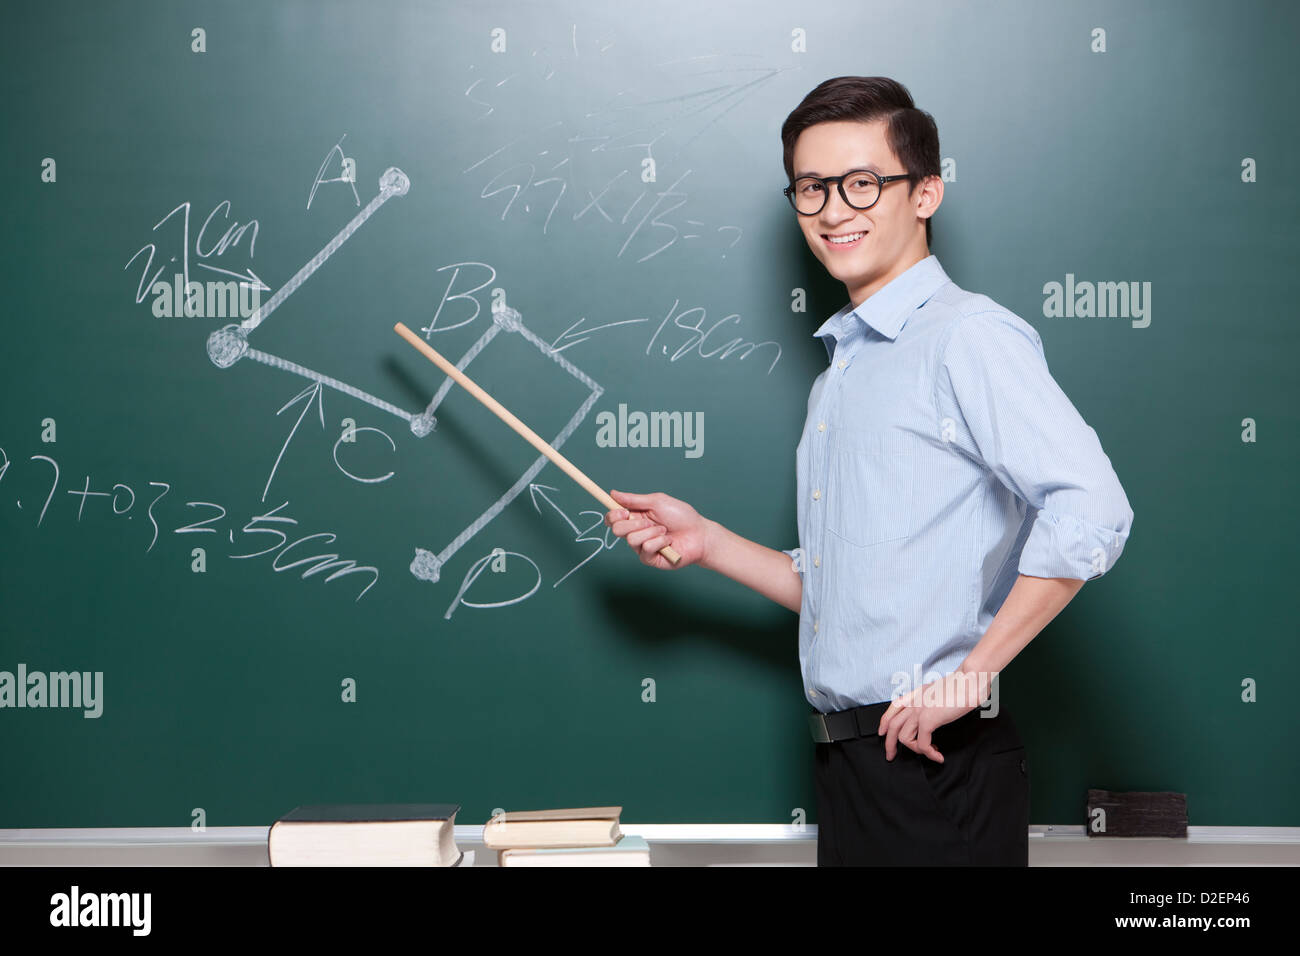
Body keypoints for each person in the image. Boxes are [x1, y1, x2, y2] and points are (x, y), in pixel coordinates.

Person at [603, 76, 1134, 866]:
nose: (834, 210)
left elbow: (1093, 509)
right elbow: (844, 599)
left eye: (863, 183)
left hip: (936, 763)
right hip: (850, 766)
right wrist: (707, 541)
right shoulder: (840, 373)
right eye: (812, 189)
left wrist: (971, 676)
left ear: (925, 193)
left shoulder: (966, 338)